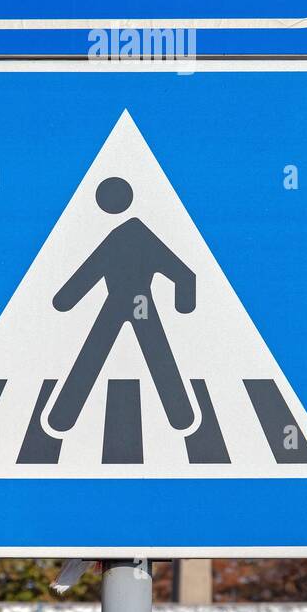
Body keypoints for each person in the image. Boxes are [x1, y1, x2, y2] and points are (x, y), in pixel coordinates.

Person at [47, 176, 196, 433]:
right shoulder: (134, 237)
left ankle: (62, 418)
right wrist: (183, 304)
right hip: (137, 304)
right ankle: (181, 416)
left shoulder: (124, 237)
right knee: (157, 357)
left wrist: (65, 301)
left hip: (120, 303)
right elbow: (183, 274)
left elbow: (89, 272)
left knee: (93, 357)